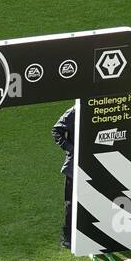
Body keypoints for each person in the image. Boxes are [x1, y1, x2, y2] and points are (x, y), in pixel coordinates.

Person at [51, 104, 76, 248]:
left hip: (95, 162)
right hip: (74, 166)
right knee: (70, 201)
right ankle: (67, 237)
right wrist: (71, 149)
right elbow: (56, 130)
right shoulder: (75, 111)